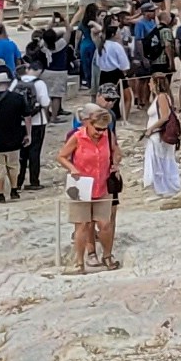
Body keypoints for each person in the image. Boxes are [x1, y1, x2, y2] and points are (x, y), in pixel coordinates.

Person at [58, 104, 120, 273]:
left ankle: (107, 256)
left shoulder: (108, 135)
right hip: (81, 185)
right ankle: (80, 262)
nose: (100, 132)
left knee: (105, 224)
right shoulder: (77, 137)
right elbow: (62, 156)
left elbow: (116, 151)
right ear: (88, 123)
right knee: (82, 225)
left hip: (102, 184)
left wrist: (115, 163)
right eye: (97, 129)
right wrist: (72, 168)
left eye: (103, 129)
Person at [142, 79, 181, 196]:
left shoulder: (162, 97)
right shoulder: (159, 97)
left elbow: (165, 116)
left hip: (158, 133)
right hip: (156, 133)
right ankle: (162, 187)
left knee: (161, 160)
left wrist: (151, 129)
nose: (149, 84)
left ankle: (166, 187)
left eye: (151, 82)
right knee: (159, 160)